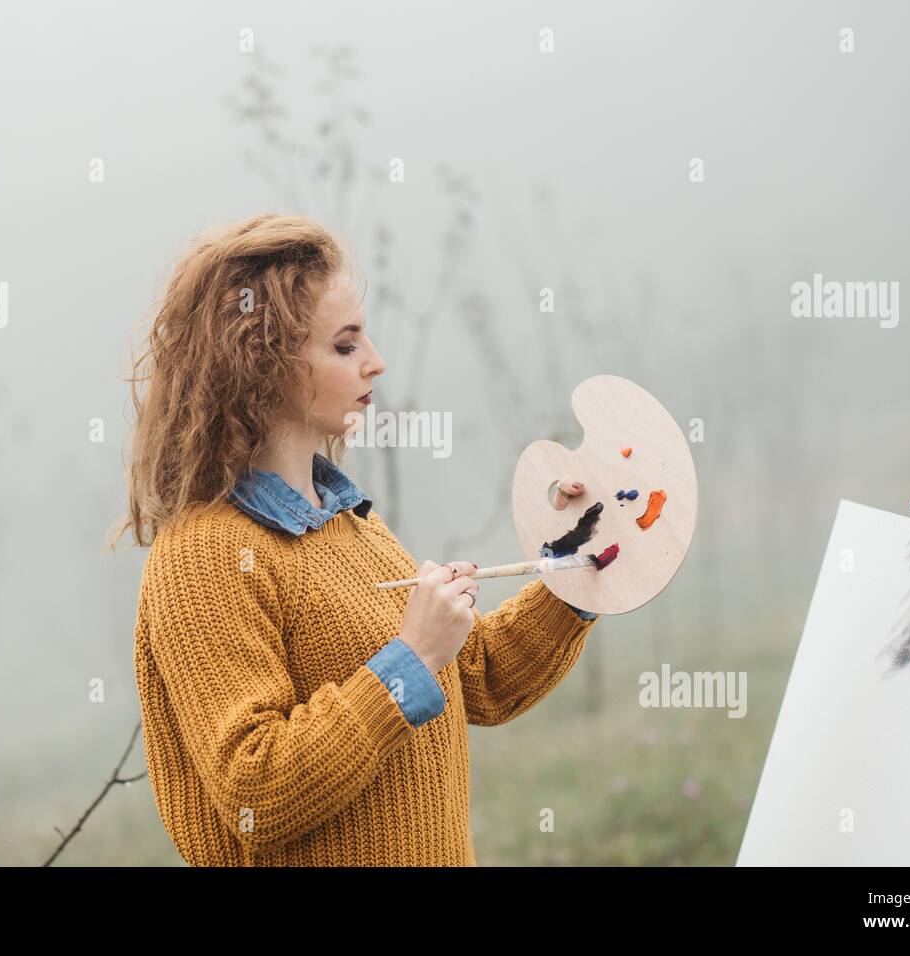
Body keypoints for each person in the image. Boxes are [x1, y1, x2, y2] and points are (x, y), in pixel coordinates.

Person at [111, 212, 599, 865]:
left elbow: (474, 680)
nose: (376, 362)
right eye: (345, 346)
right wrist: (412, 657)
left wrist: (579, 567)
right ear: (262, 364)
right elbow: (258, 786)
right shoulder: (205, 555)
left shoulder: (352, 526)